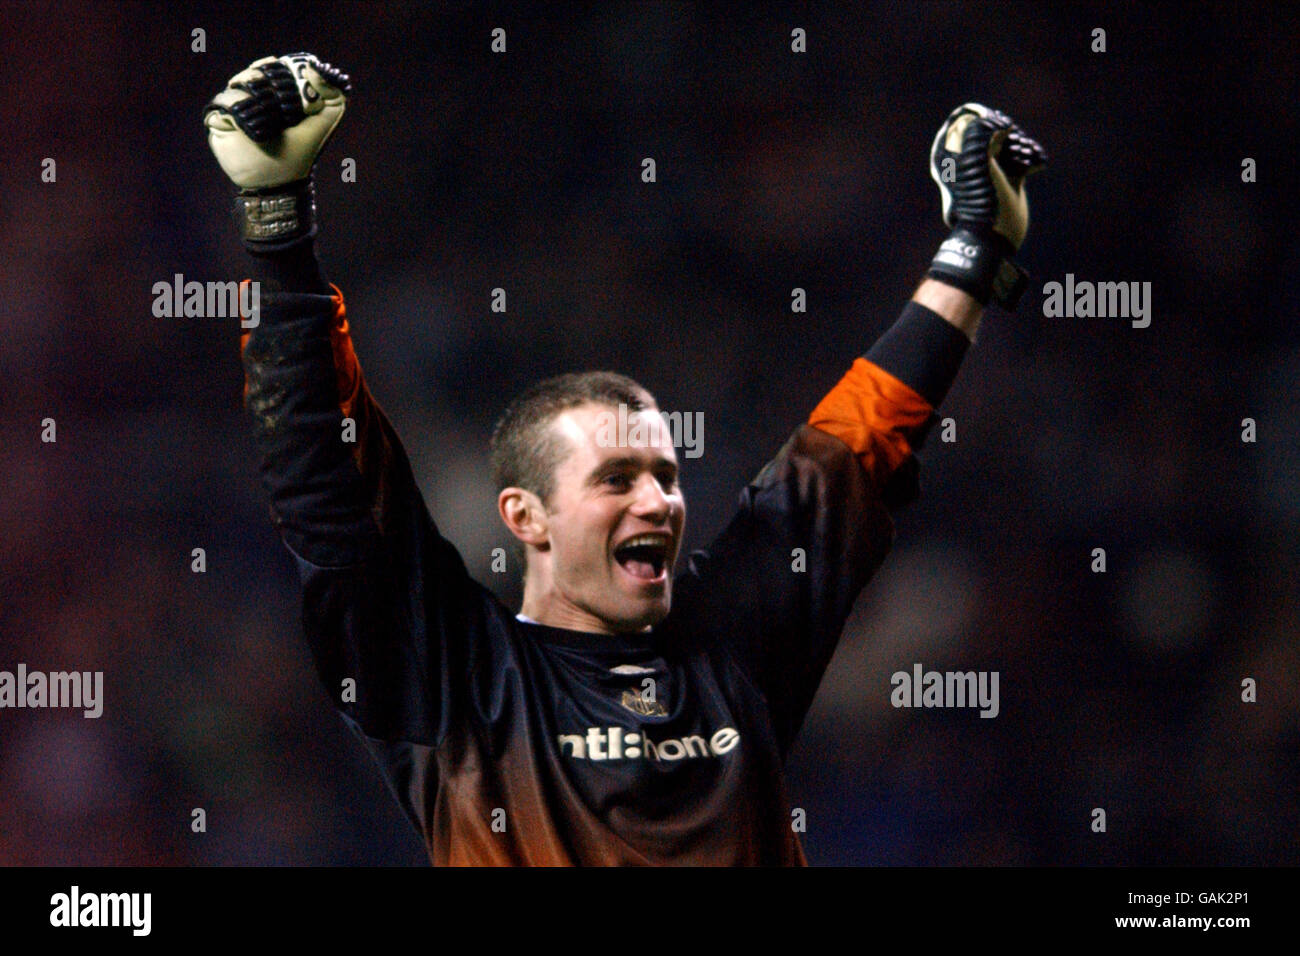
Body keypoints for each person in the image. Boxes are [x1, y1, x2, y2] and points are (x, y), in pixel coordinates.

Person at [204, 53, 1047, 865]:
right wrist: (277, 225)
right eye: (616, 479)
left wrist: (971, 253)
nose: (658, 502)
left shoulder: (730, 651)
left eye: (666, 478)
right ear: (524, 516)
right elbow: (328, 482)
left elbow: (847, 458)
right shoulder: (455, 682)